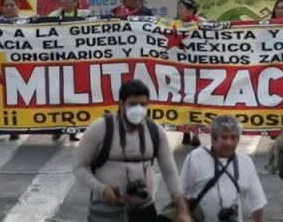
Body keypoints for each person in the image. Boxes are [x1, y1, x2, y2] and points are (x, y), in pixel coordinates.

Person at [73, 79, 191, 222]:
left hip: (144, 209)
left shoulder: (155, 130)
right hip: (106, 211)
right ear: (121, 104)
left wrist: (182, 209)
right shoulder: (101, 128)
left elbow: (170, 172)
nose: (138, 109)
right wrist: (101, 189)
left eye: (143, 104)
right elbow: (79, 167)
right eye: (133, 104)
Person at [178, 115, 267, 222]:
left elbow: (257, 202)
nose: (229, 143)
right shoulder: (195, 158)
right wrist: (185, 217)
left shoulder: (245, 162)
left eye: (234, 138)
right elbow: (182, 194)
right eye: (224, 137)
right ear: (213, 138)